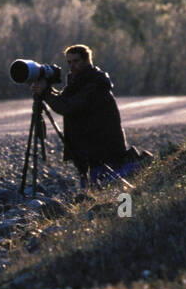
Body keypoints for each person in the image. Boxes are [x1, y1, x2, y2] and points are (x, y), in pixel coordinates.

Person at [30, 44, 149, 188]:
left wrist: (46, 92)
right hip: (91, 151)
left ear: (88, 61)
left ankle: (138, 168)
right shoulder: (78, 82)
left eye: (76, 61)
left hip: (104, 151)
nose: (72, 65)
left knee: (105, 185)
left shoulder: (95, 84)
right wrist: (46, 90)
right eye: (69, 62)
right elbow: (64, 101)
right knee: (95, 187)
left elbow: (66, 107)